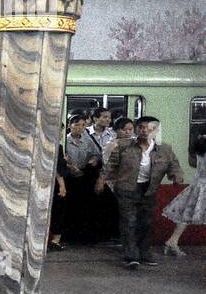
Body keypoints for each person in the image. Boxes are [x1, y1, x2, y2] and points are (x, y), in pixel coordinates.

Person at [97, 115, 184, 269]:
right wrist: (102, 179)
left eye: (150, 128)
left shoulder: (165, 149)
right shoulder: (123, 145)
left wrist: (176, 176)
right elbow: (111, 165)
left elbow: (173, 165)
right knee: (129, 222)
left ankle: (145, 253)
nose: (145, 131)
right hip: (127, 188)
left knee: (145, 223)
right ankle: (131, 256)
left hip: (149, 190)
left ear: (156, 130)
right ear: (137, 129)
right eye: (142, 127)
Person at [61, 113, 102, 244]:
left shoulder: (87, 139)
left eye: (83, 125)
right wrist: (71, 167)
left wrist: (92, 161)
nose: (80, 127)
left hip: (85, 178)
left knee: (85, 208)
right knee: (70, 208)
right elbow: (62, 158)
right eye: (76, 124)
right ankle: (69, 237)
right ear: (69, 125)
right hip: (69, 179)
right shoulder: (65, 140)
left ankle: (85, 237)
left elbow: (96, 154)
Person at [163, 135, 206, 256]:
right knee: (187, 214)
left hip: (198, 184)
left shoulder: (200, 144)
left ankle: (172, 241)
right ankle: (172, 242)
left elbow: (192, 163)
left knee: (186, 214)